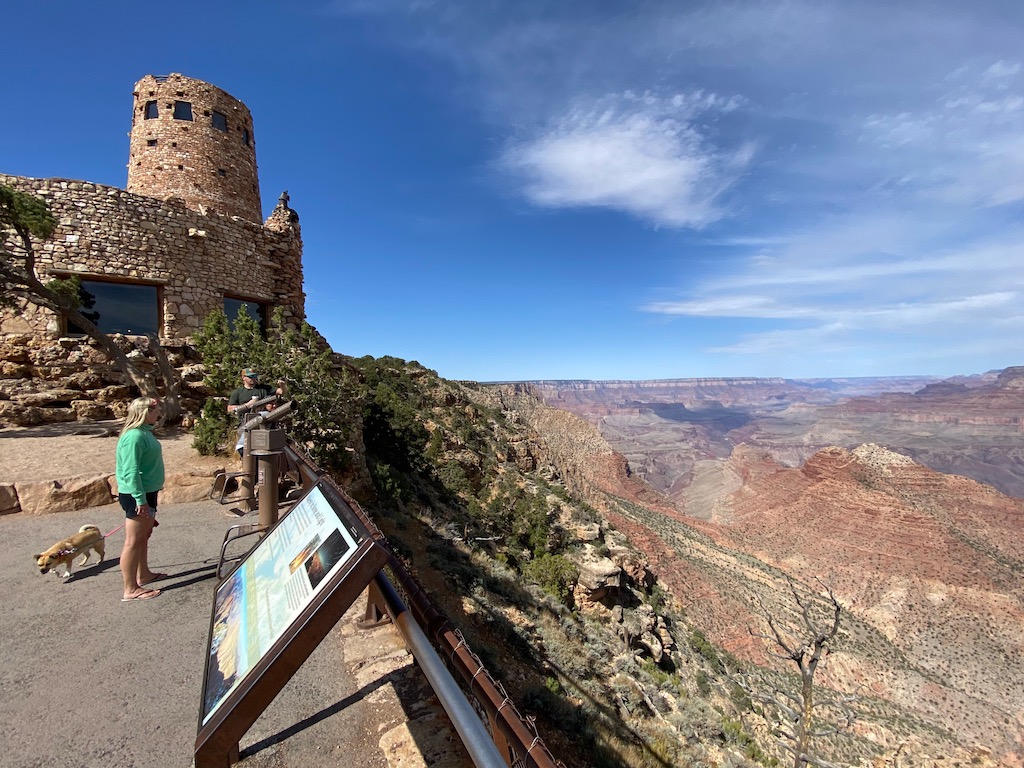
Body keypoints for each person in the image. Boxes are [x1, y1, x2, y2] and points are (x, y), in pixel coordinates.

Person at [115, 396, 166, 602]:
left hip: (147, 493)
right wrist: (140, 499)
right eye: (155, 411)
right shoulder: (134, 437)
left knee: (144, 537)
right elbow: (130, 471)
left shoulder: (145, 433)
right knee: (133, 541)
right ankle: (130, 589)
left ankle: (143, 574)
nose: (158, 414)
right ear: (144, 413)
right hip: (137, 495)